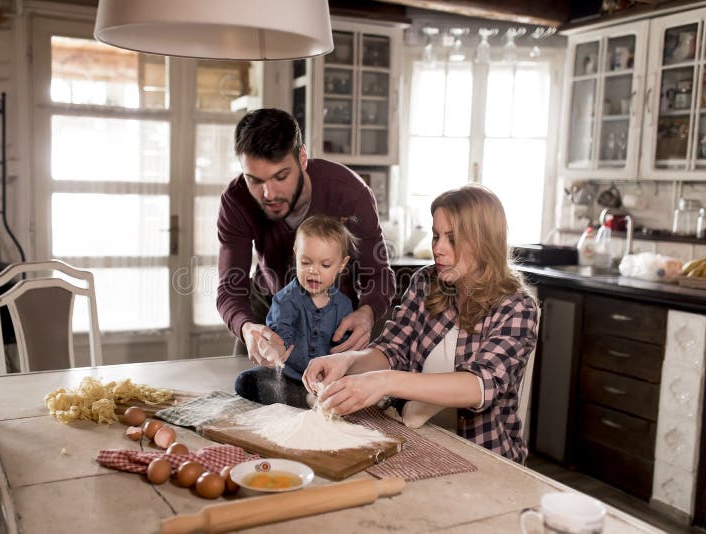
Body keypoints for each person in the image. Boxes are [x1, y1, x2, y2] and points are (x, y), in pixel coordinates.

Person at [302, 184, 539, 463]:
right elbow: (392, 349)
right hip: (415, 439)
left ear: (484, 242)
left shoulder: (518, 308)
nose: (438, 248)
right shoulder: (426, 282)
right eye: (436, 235)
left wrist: (384, 383)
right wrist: (348, 360)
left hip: (482, 457)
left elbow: (478, 386)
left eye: (452, 238)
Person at [216, 108, 395, 368]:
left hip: (335, 318)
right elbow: (230, 286)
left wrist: (367, 314)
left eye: (281, 176)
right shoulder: (236, 200)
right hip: (267, 315)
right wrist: (246, 328)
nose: (268, 194)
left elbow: (379, 274)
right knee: (247, 399)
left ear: (302, 158)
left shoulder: (349, 194)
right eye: (254, 179)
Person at [234, 215, 356, 407]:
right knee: (246, 381)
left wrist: (337, 371)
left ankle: (323, 397)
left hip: (327, 379)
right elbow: (281, 333)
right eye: (306, 262)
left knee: (357, 382)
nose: (313, 271)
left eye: (325, 265)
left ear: (341, 264)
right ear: (296, 255)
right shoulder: (285, 300)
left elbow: (344, 349)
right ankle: (306, 400)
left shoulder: (344, 305)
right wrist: (278, 348)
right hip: (289, 376)